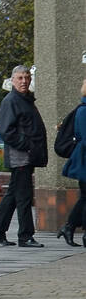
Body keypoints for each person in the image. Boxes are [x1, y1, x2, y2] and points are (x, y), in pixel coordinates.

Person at [0, 66, 47, 247]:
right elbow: (7, 131)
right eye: (20, 78)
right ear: (13, 80)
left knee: (13, 195)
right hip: (20, 157)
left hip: (27, 156)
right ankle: (25, 236)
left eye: (27, 77)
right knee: (24, 196)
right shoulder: (11, 100)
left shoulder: (26, 100)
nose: (24, 81)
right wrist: (28, 146)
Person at [59, 78, 86, 245]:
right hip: (84, 161)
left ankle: (71, 228)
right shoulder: (83, 111)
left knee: (85, 197)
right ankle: (69, 226)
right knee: (85, 197)